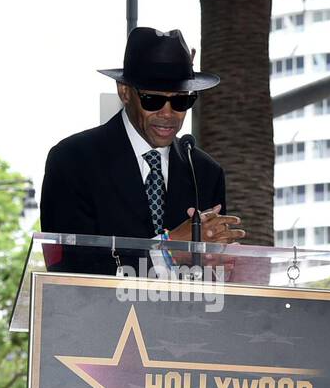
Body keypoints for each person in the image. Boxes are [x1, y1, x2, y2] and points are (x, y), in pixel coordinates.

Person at [41, 28, 243, 252]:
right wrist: (169, 247)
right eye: (152, 100)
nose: (168, 114)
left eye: (181, 101)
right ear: (125, 92)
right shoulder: (73, 161)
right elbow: (71, 267)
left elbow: (213, 276)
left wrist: (219, 260)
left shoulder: (205, 173)